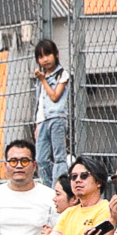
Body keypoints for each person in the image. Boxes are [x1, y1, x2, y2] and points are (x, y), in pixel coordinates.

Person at [32, 38, 70, 185]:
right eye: (41, 57)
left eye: (48, 55)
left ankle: (59, 187)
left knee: (59, 156)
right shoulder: (41, 78)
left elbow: (54, 96)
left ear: (56, 54)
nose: (45, 59)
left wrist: (43, 80)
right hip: (42, 121)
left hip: (56, 118)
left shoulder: (62, 74)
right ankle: (48, 187)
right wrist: (37, 125)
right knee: (41, 158)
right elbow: (40, 103)